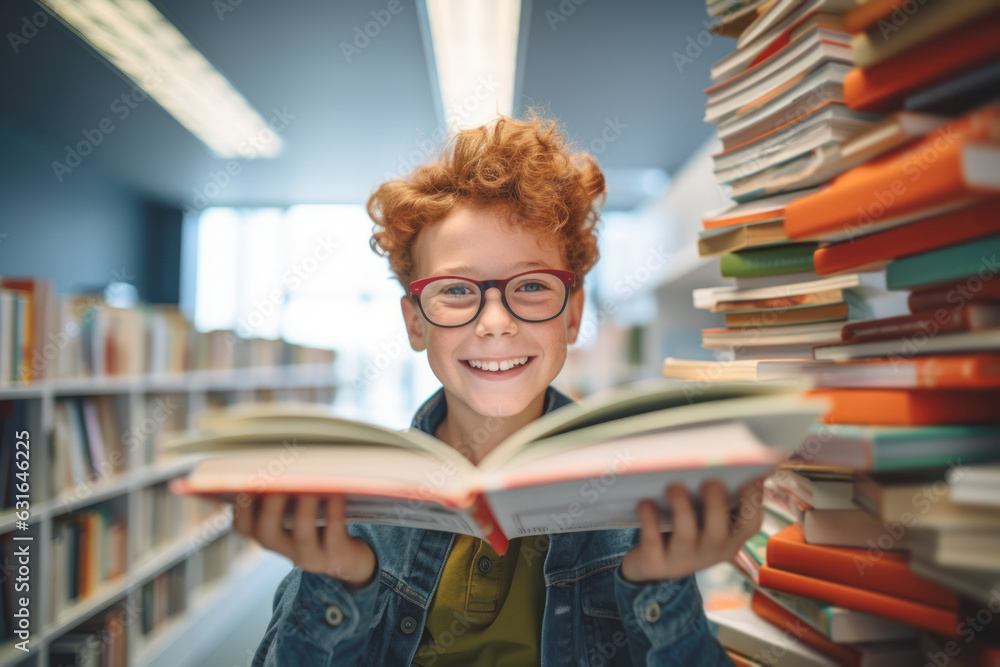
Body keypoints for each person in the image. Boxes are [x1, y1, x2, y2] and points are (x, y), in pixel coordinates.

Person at [237, 112, 762, 666]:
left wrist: (664, 585)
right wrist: (338, 585)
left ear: (573, 314)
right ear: (415, 323)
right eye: (457, 290)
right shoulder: (358, 506)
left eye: (532, 286)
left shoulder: (640, 506)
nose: (494, 322)